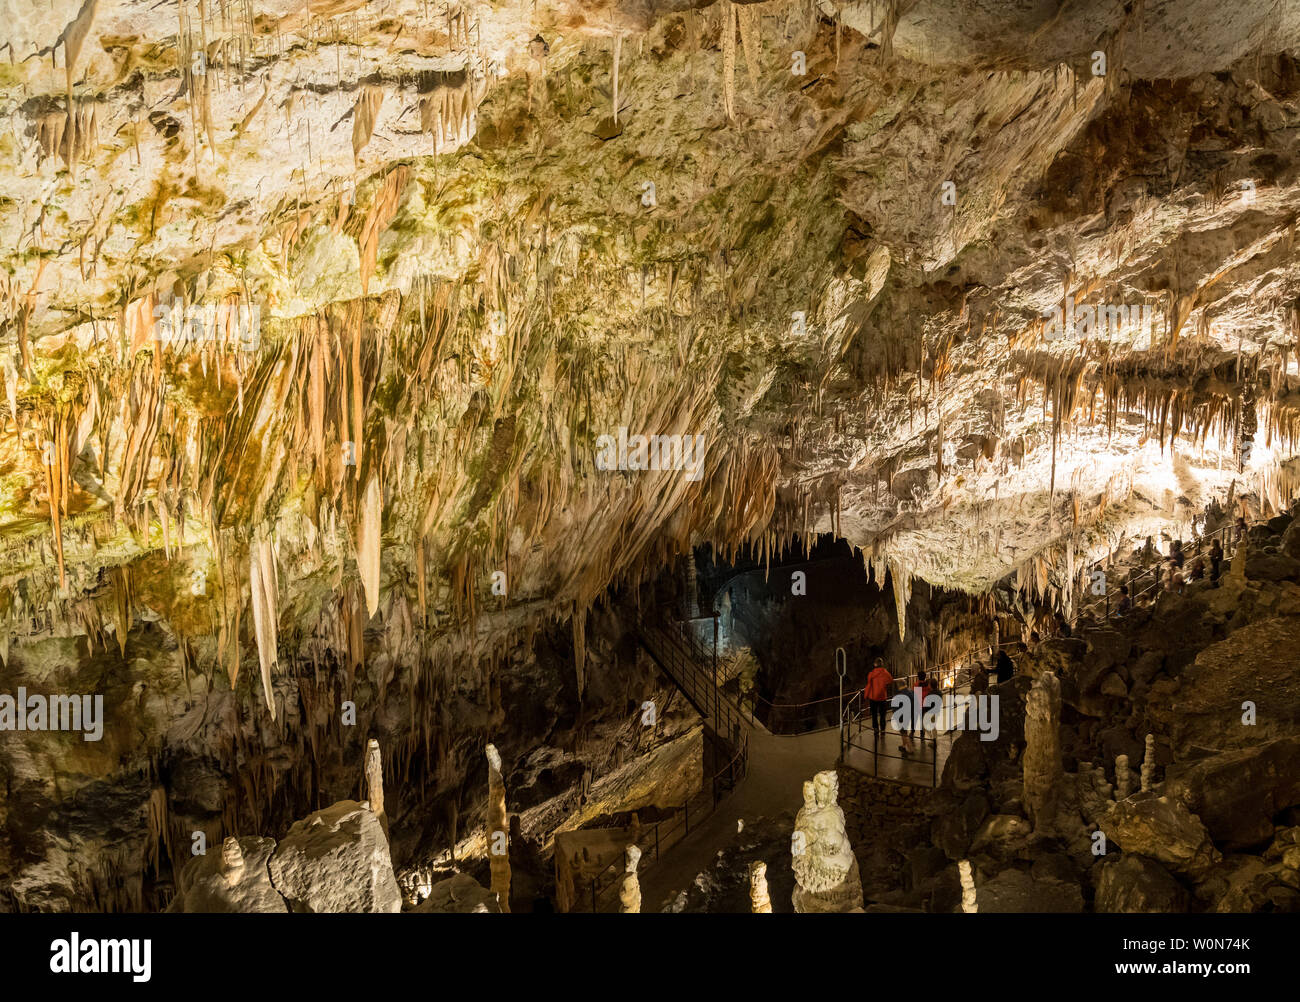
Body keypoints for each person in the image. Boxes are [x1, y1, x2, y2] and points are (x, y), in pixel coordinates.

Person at [864, 656, 893, 737]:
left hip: (873, 697)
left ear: (875, 664)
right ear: (882, 664)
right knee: (883, 715)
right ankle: (883, 730)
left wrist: (866, 696)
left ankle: (876, 729)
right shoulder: (885, 672)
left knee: (874, 714)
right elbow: (890, 680)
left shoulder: (871, 674)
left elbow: (869, 683)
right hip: (882, 697)